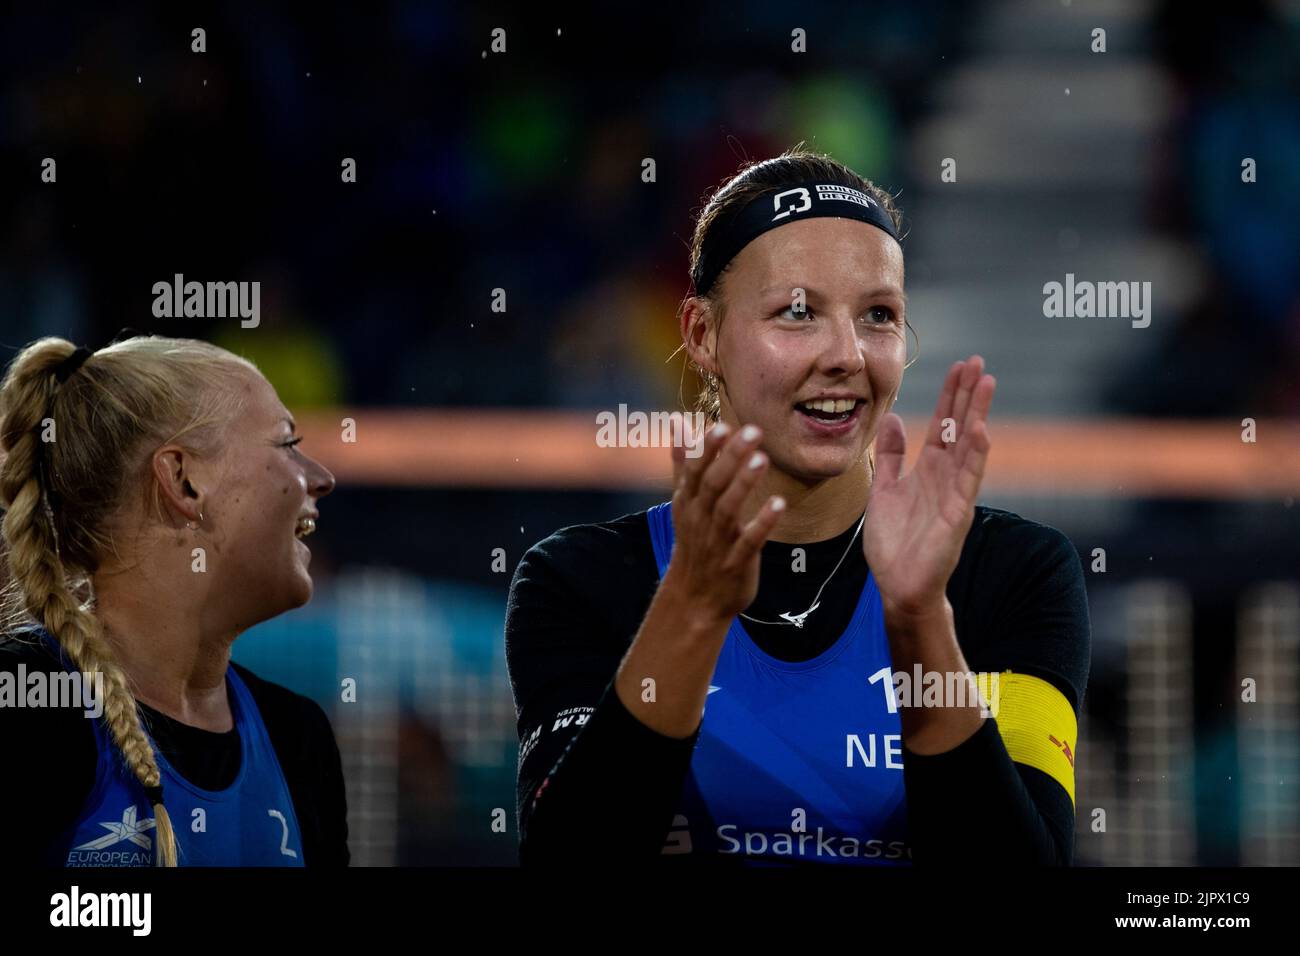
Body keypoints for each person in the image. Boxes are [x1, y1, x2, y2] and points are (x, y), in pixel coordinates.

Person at [506, 147, 1091, 866]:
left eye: (878, 315)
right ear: (702, 335)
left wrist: (917, 624)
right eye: (796, 312)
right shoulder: (581, 580)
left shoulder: (1011, 573)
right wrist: (690, 606)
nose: (846, 353)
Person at [0, 332, 347, 866]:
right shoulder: (29, 707)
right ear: (183, 481)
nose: (321, 478)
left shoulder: (299, 740)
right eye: (286, 444)